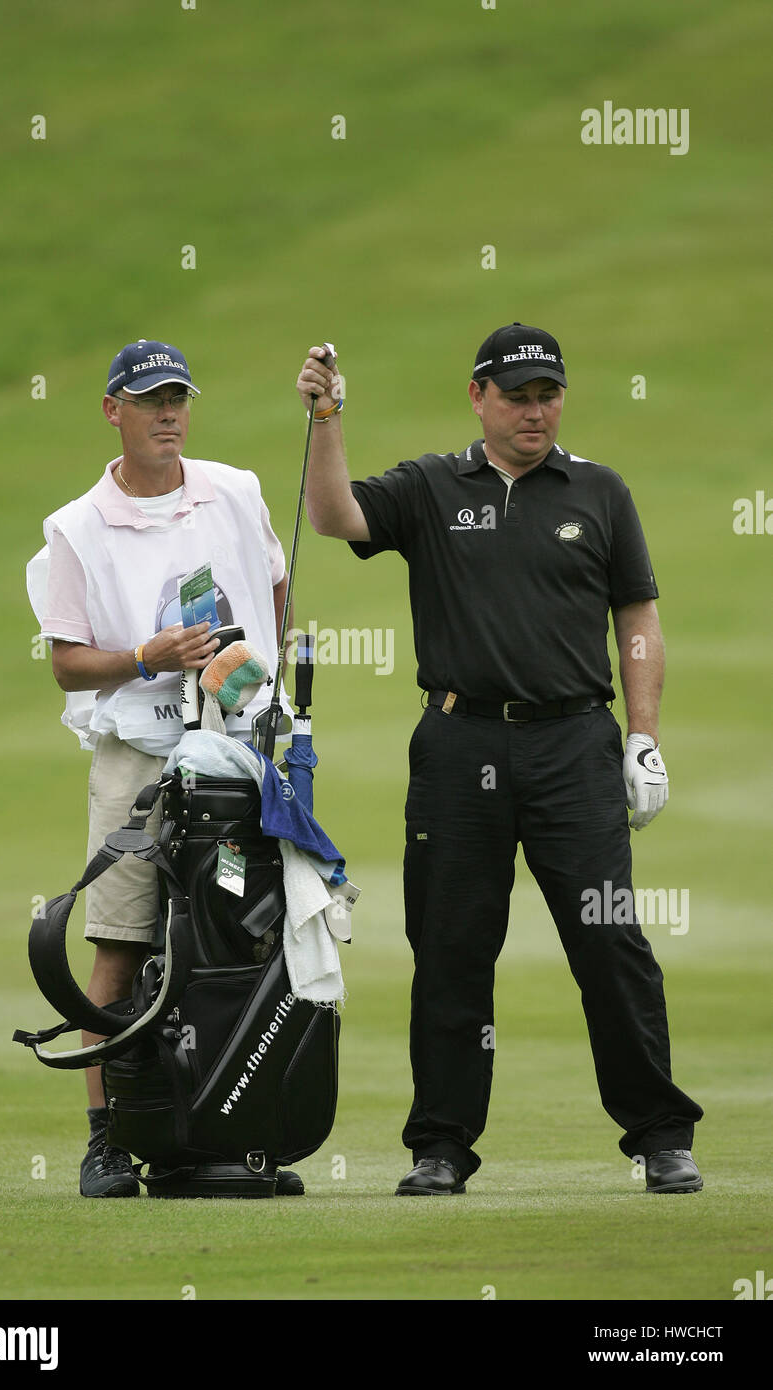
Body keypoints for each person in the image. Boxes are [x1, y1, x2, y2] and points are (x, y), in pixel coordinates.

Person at [295, 323, 704, 1196]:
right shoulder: (432, 486)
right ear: (478, 397)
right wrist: (327, 416)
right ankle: (441, 1146)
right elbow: (335, 517)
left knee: (609, 941)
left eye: (548, 394)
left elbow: (636, 618)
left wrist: (644, 735)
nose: (535, 410)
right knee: (449, 948)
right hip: (459, 741)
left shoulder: (599, 492)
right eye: (516, 395)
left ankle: (662, 1134)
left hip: (573, 746)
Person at [33, 338, 293, 1196]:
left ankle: (232, 1127)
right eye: (149, 401)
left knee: (246, 935)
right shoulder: (76, 528)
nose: (169, 413)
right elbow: (69, 661)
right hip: (136, 755)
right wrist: (147, 656)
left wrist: (248, 674)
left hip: (242, 751)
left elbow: (276, 592)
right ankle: (106, 1137)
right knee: (117, 941)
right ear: (114, 411)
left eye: (178, 396)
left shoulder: (239, 491)